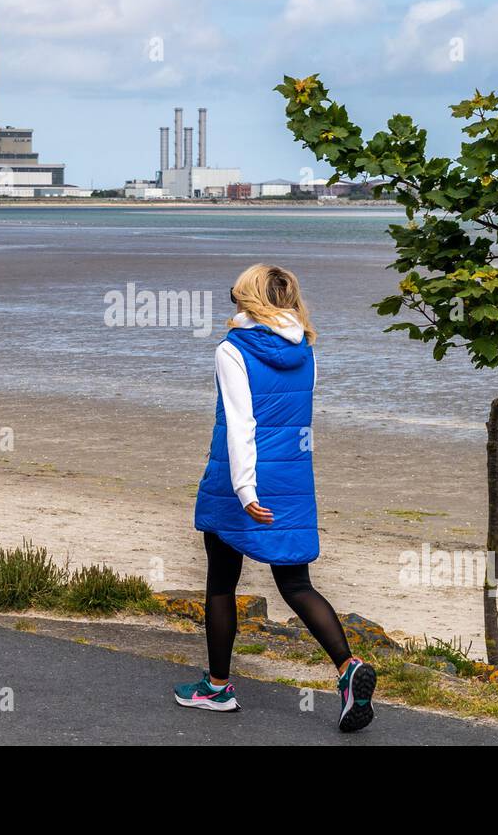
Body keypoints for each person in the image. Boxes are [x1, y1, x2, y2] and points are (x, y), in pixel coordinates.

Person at [173, 264, 376, 733]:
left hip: (240, 479)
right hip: (293, 476)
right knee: (296, 583)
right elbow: (302, 416)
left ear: (245, 298)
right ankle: (347, 668)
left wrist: (244, 490)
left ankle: (218, 688)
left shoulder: (233, 349)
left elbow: (242, 424)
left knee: (222, 583)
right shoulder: (305, 348)